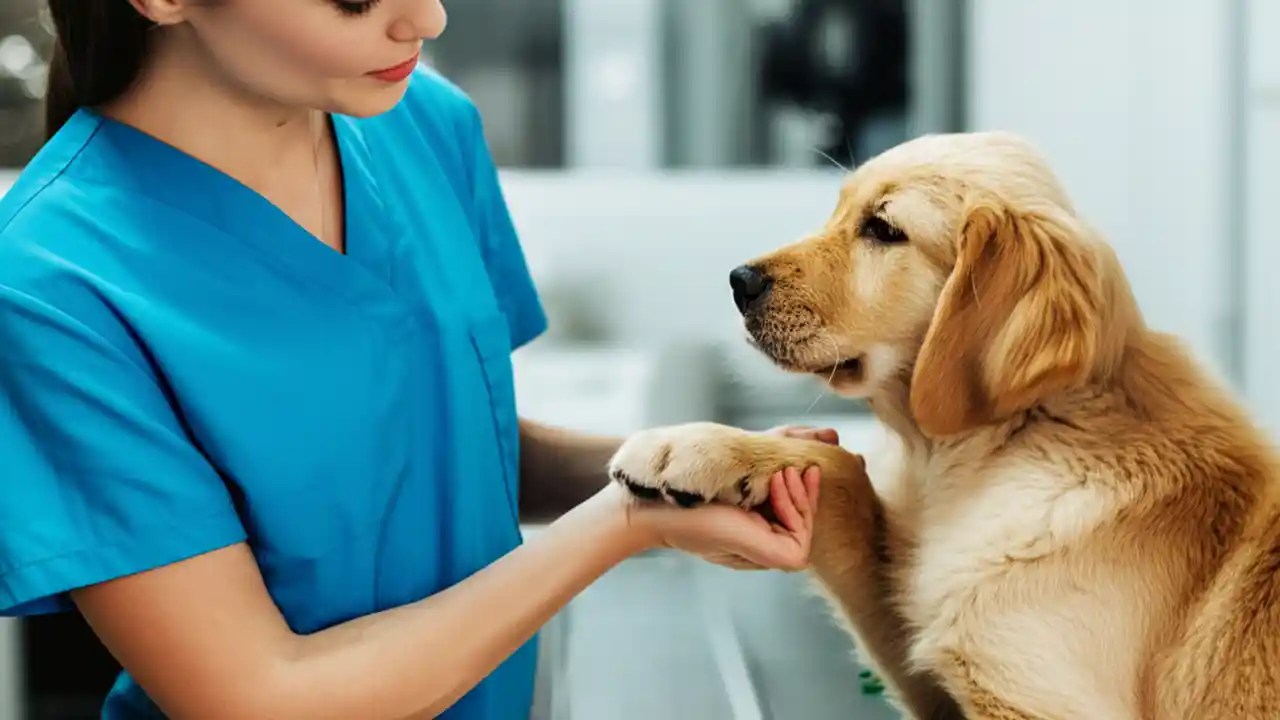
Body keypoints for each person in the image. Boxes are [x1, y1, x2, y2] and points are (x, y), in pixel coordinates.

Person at [0, 2, 835, 718]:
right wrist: (626, 522)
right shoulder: (53, 284)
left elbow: (452, 448)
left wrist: (690, 470)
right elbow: (260, 695)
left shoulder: (423, 123)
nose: (427, 19)